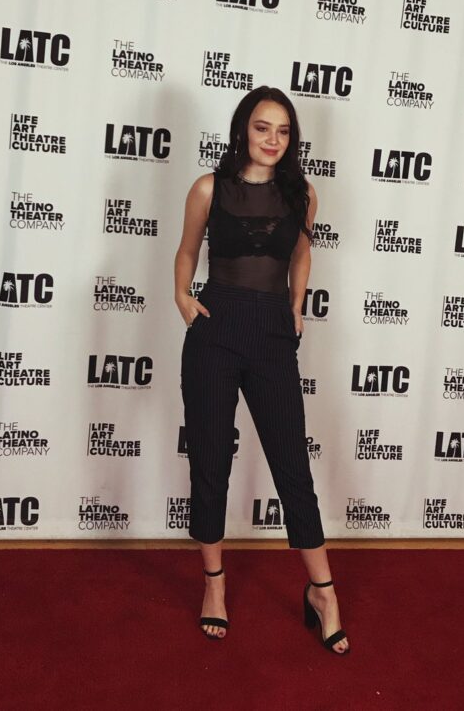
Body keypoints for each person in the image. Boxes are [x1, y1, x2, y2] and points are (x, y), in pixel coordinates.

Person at [173, 86, 350, 655]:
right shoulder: (208, 188)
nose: (272, 139)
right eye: (262, 127)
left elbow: (302, 253)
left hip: (272, 334)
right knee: (210, 458)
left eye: (283, 130)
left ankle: (323, 592)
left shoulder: (302, 193)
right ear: (242, 130)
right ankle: (214, 584)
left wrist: (296, 307)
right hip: (216, 331)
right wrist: (183, 297)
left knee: (291, 464)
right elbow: (187, 249)